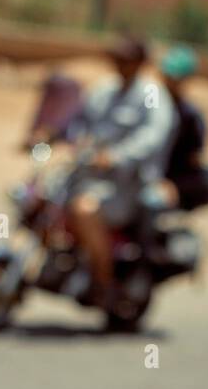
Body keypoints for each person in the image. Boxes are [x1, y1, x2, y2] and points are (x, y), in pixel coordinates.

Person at [61, 36, 176, 311]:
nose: (120, 64)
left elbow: (153, 137)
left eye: (127, 60)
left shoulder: (152, 94)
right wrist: (64, 138)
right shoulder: (103, 90)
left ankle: (103, 281)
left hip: (125, 185)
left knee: (84, 210)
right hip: (86, 175)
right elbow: (79, 121)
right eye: (117, 59)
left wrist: (116, 156)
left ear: (140, 63)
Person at [159, 45, 208, 212]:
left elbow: (194, 158)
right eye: (168, 76)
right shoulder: (148, 105)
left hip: (170, 177)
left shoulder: (190, 116)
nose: (170, 82)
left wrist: (175, 185)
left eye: (175, 78)